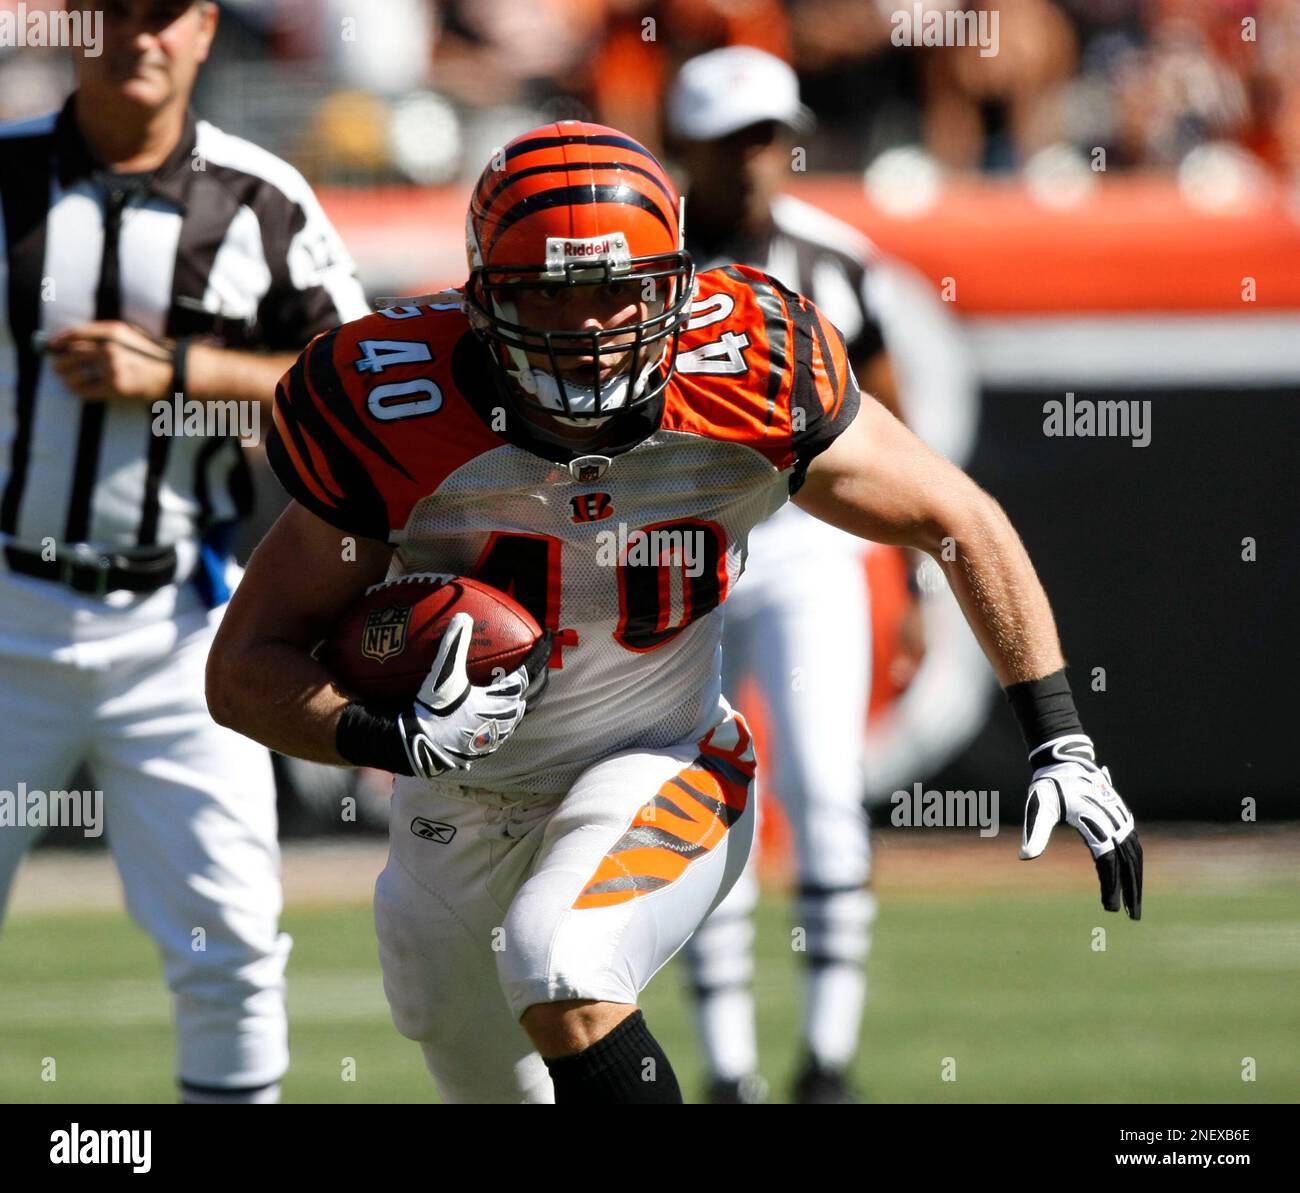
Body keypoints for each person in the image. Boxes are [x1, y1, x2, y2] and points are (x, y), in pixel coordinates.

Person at [207, 120, 1143, 1105]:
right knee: (487, 1065)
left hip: (663, 755)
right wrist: (386, 732)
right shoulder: (387, 402)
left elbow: (959, 518)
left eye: (619, 289)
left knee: (561, 961)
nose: (589, 324)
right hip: (456, 799)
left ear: (674, 285)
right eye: (551, 293)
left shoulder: (749, 365)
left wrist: (1060, 738)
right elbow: (244, 668)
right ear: (482, 300)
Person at [0, 0, 368, 1103]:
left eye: (164, 13)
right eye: (113, 10)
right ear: (75, 24)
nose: (138, 35)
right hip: (5, 611)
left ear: (207, 28)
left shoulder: (262, 196)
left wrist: (185, 373)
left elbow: (352, 383)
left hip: (182, 631)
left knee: (233, 955)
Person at [666, 43, 913, 1104]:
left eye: (769, 136)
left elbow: (901, 439)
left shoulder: (836, 261)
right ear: (688, 146)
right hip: (679, 554)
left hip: (807, 545)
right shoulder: (641, 256)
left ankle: (825, 1059)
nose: (757, 160)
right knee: (693, 797)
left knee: (820, 788)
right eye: (734, 141)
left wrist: (920, 582)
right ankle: (726, 1066)